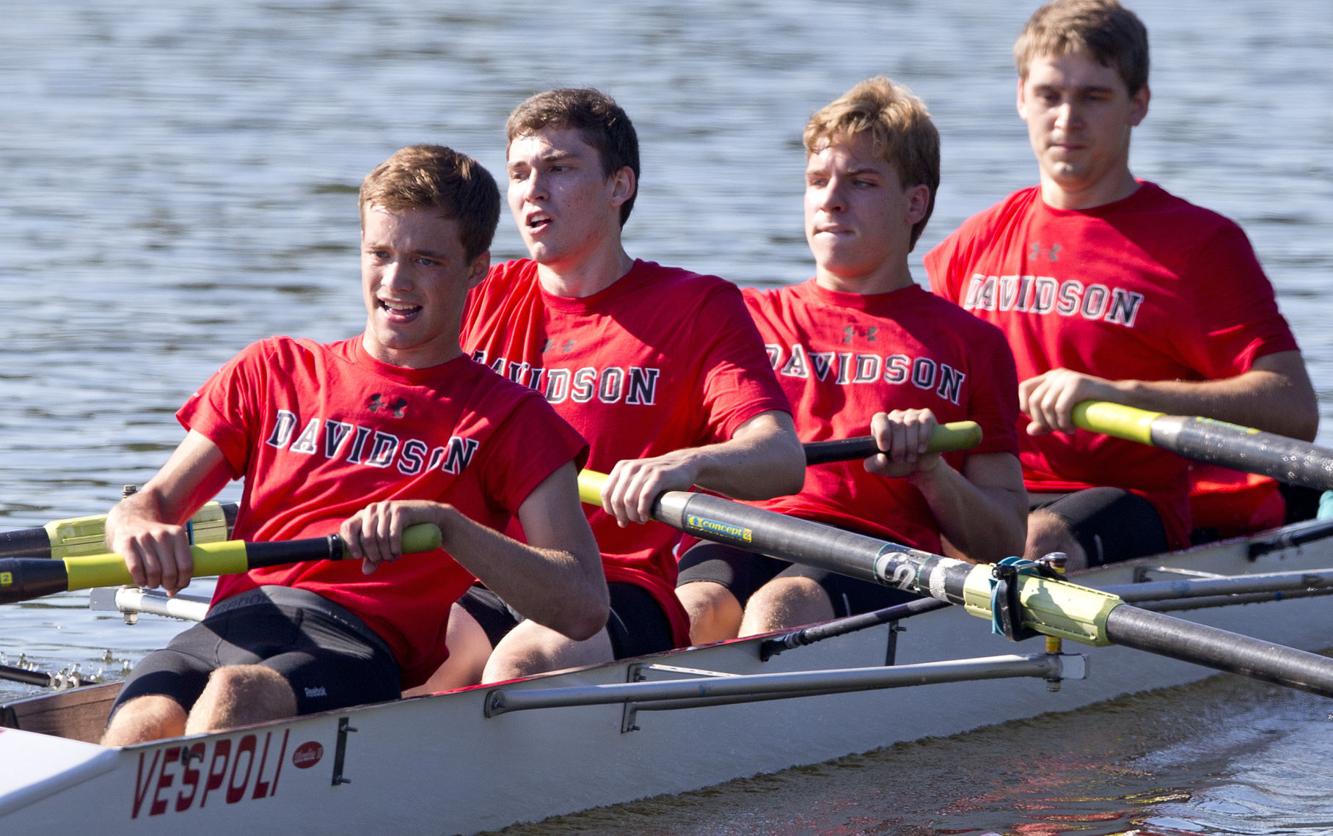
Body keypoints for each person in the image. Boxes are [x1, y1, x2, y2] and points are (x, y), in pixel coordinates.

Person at [100, 144, 608, 745]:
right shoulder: (273, 369)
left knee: (240, 694)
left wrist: (448, 526)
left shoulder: (512, 418)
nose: (396, 282)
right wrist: (138, 529)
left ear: (477, 269)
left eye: (426, 260)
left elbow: (583, 605)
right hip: (232, 621)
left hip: (352, 646)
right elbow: (151, 505)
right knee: (141, 723)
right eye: (380, 254)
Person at [927, 0, 1317, 570]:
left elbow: (1295, 408)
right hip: (998, 489)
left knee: (1031, 546)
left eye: (1094, 96)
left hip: (1130, 500)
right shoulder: (971, 243)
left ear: (1138, 104)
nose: (1067, 119)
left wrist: (1120, 394)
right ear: (1021, 98)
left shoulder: (1200, 246)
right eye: (1049, 95)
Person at [448, 87, 803, 683]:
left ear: (620, 186)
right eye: (519, 173)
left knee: (519, 664)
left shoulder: (696, 307)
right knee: (422, 661)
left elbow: (780, 456)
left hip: (617, 583)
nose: (533, 190)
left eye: (559, 169)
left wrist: (687, 463)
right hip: (491, 570)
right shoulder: (478, 296)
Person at [674, 78, 1028, 642]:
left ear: (915, 202)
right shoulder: (741, 317)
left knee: (781, 606)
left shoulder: (973, 343)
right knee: (695, 610)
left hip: (877, 551)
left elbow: (1005, 540)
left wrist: (931, 472)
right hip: (741, 529)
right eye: (818, 181)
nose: (831, 200)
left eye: (861, 183)